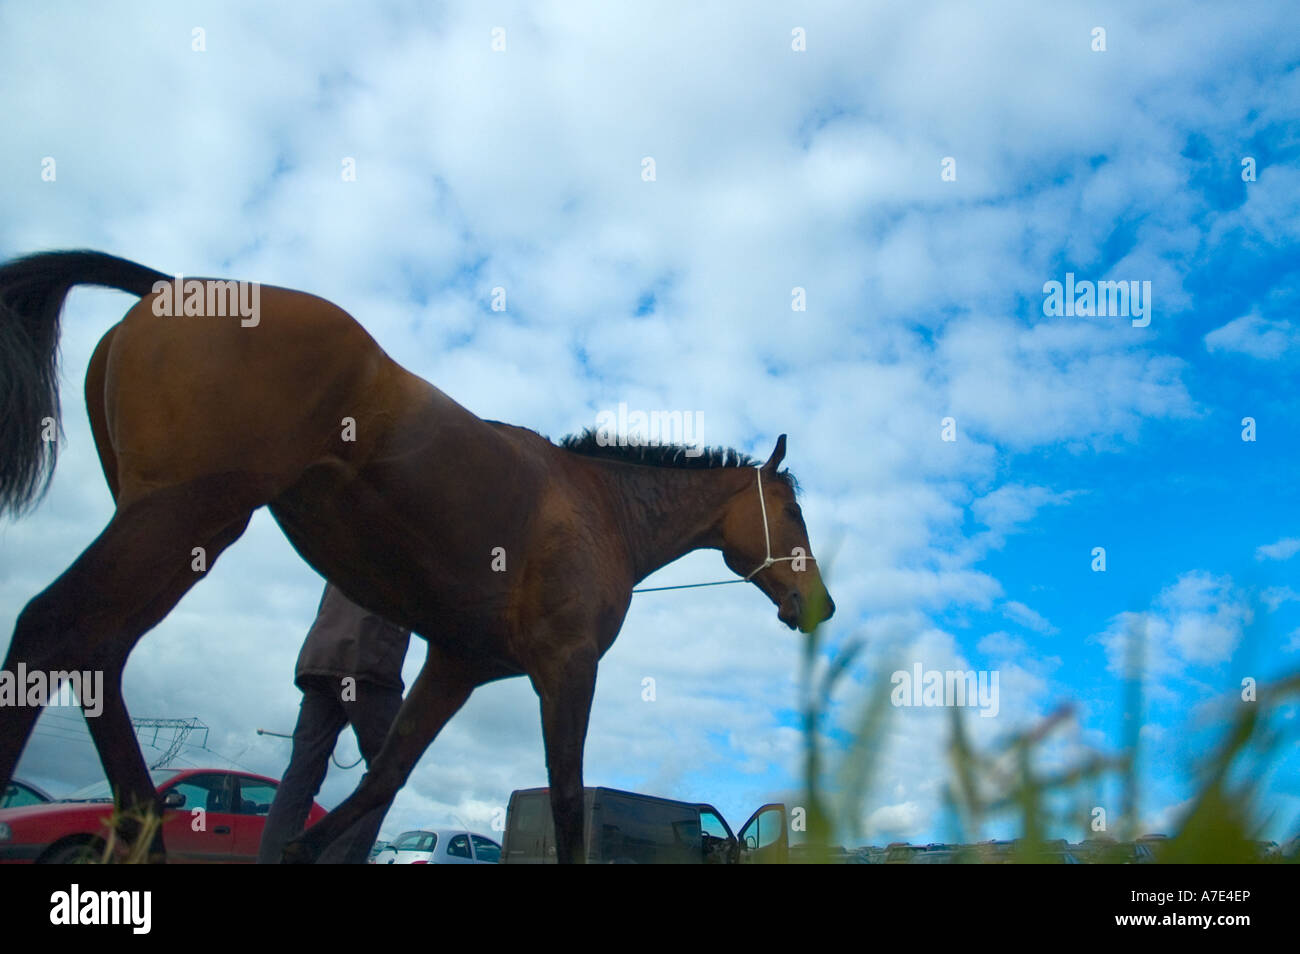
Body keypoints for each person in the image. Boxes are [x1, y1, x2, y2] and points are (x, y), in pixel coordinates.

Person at [257, 581, 411, 864]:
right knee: (391, 766)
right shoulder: (410, 537)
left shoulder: (346, 536)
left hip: (320, 657)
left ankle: (273, 860)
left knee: (302, 770)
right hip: (367, 657)